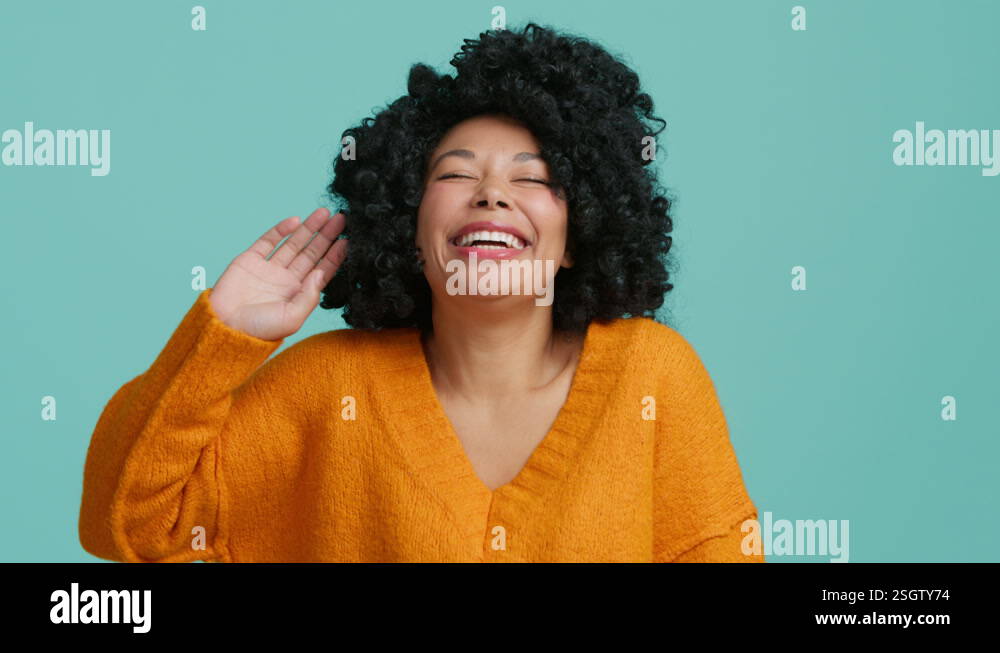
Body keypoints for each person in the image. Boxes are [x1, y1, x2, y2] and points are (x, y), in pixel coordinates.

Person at [78, 22, 763, 562]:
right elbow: (126, 522)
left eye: (532, 178)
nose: (492, 193)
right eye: (457, 174)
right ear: (408, 222)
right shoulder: (324, 387)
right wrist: (222, 336)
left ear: (582, 230)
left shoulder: (656, 377)